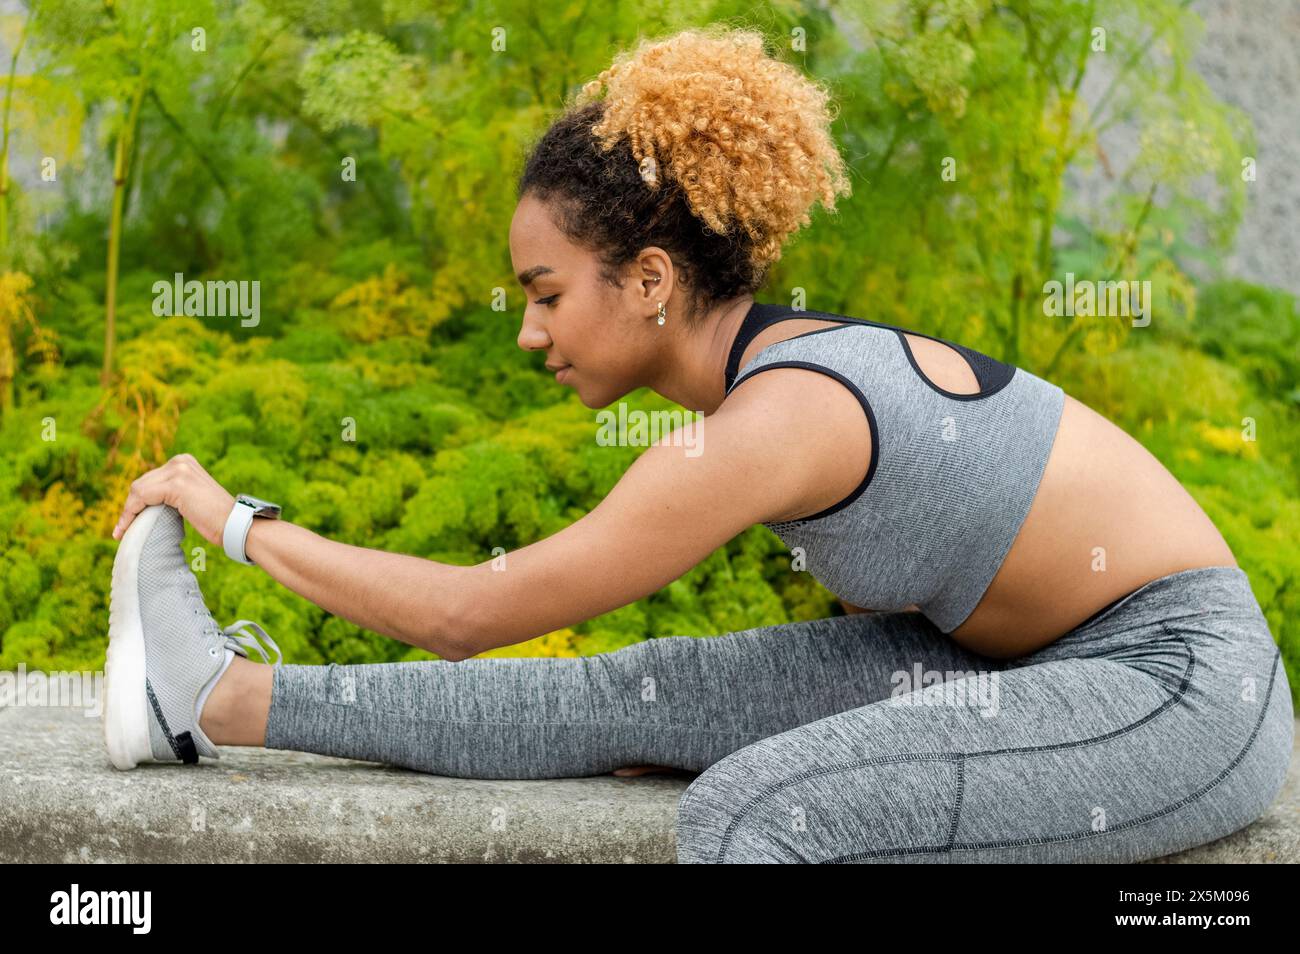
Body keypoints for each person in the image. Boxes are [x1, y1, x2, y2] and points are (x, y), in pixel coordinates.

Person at [102, 26, 1292, 863]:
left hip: (1176, 684)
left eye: (547, 293)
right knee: (630, 701)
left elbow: (466, 615)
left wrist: (230, 518)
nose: (527, 333)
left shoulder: (779, 418)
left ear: (651, 279)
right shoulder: (769, 386)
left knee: (753, 813)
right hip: (1001, 663)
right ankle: (211, 698)